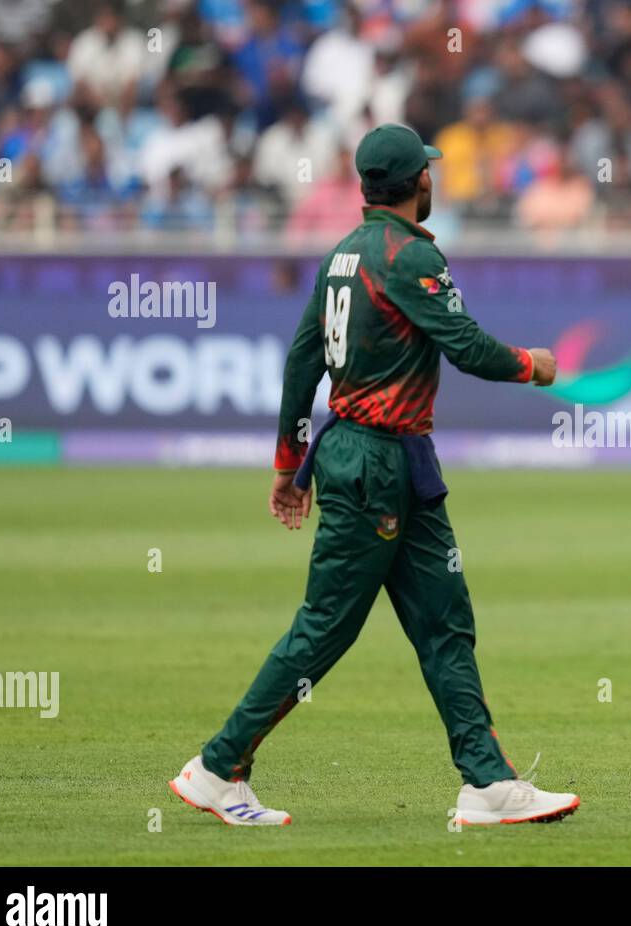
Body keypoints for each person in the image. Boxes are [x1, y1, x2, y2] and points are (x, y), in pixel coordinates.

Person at [170, 124, 580, 827]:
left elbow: (303, 361)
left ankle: (487, 783)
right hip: (375, 462)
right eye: (428, 170)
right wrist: (533, 364)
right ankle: (218, 764)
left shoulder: (342, 254)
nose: (433, 178)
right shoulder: (410, 256)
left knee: (445, 620)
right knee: (326, 626)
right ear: (420, 181)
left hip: (391, 459)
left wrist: (287, 464)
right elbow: (468, 346)